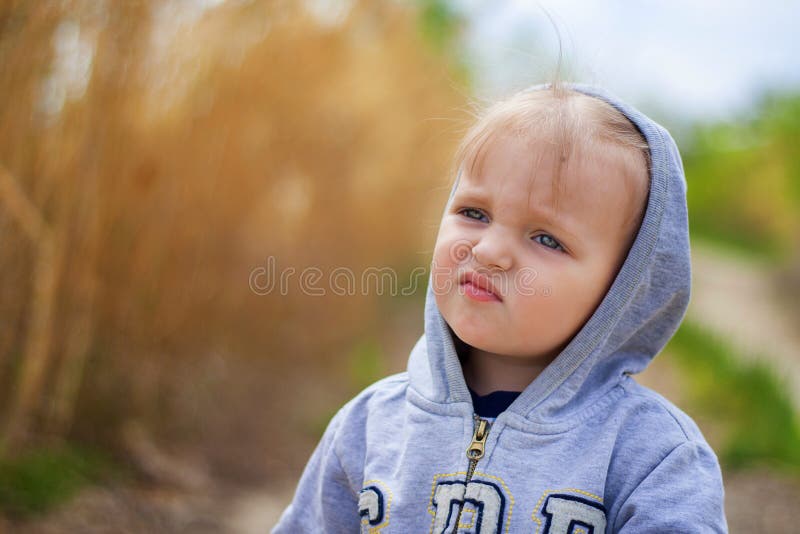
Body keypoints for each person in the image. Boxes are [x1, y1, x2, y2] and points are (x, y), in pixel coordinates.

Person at [272, 80, 728, 533]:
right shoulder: (369, 425)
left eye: (546, 238)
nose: (489, 250)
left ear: (620, 289)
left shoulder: (653, 457)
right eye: (474, 213)